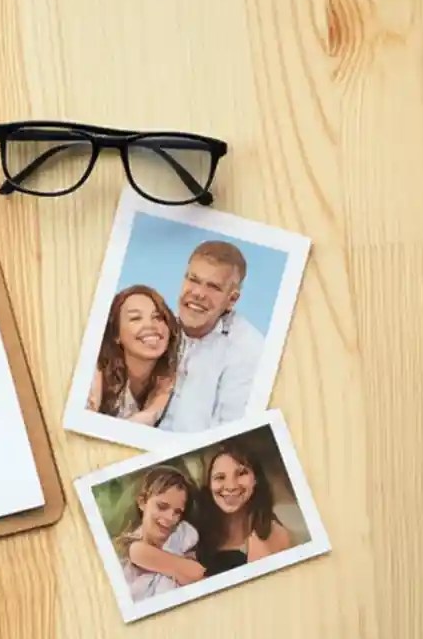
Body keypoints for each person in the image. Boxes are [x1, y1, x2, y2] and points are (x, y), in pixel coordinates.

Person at [158, 240, 265, 433]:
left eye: (213, 287)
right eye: (193, 280)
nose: (198, 293)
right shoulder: (157, 327)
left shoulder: (249, 350)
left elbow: (231, 434)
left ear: (232, 299)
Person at [87, 284, 182, 427]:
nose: (150, 325)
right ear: (116, 335)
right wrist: (152, 411)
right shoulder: (96, 371)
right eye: (136, 318)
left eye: (158, 317)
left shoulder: (175, 376)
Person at [193, 443, 291, 576]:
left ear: (256, 479)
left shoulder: (275, 534)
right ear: (209, 485)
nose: (231, 486)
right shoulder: (193, 534)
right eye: (220, 477)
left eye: (241, 473)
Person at [113, 465, 205, 601]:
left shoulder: (182, 537)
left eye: (177, 512)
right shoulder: (136, 548)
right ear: (142, 503)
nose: (170, 517)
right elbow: (196, 573)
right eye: (162, 507)